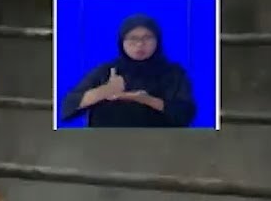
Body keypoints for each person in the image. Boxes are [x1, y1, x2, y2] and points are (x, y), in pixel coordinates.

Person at [60, 14, 197, 128]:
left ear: (158, 41)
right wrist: (106, 90)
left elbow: (184, 114)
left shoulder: (173, 73)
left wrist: (145, 100)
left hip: (158, 146)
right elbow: (68, 107)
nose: (140, 44)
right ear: (122, 42)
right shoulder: (107, 70)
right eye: (133, 38)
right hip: (104, 147)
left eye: (147, 38)